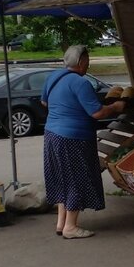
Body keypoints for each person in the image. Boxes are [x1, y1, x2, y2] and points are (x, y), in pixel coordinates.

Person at [41, 45, 125, 239]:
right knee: (77, 179)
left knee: (62, 178)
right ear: (81, 63)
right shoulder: (80, 83)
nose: (88, 65)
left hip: (52, 135)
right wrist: (116, 106)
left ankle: (61, 223)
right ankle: (71, 227)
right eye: (87, 61)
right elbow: (97, 112)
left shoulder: (53, 77)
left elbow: (44, 102)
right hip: (74, 138)